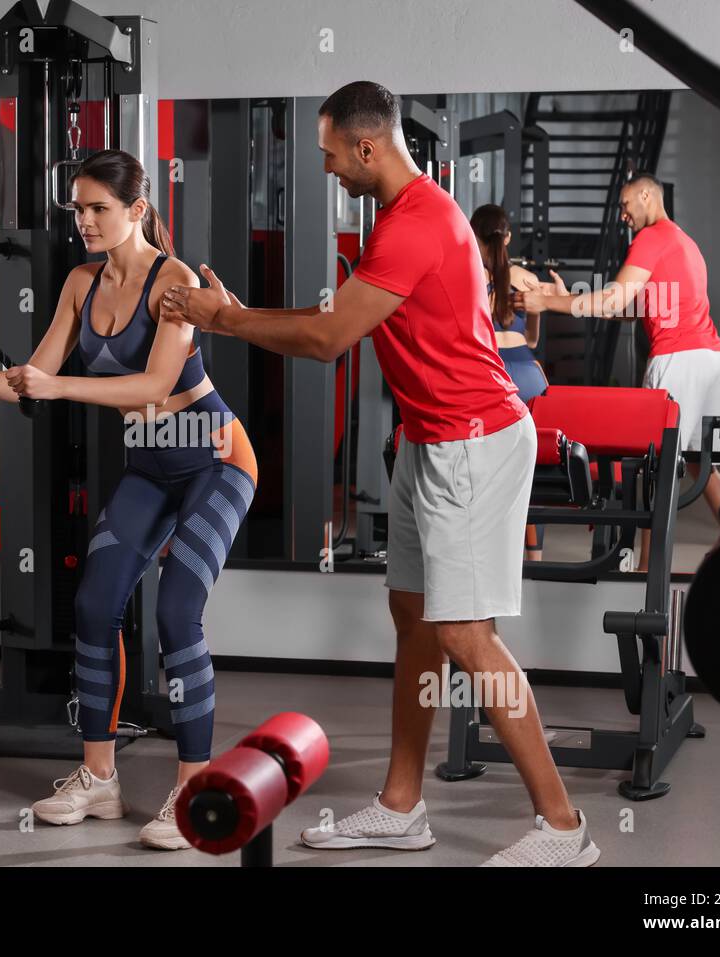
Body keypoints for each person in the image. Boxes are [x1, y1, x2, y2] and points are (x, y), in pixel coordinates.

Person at [163, 81, 598, 866]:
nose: (328, 169)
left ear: (367, 148)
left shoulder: (417, 222)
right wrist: (230, 313)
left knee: (466, 635)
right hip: (429, 440)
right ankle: (402, 806)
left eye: (331, 156)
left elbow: (329, 337)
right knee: (411, 615)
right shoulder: (399, 218)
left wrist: (221, 317)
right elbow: (341, 323)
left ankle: (564, 828)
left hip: (474, 441)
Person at [0, 149, 257, 851]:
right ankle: (98, 775)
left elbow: (151, 386)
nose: (83, 221)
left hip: (214, 458)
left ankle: (193, 785)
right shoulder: (81, 284)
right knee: (94, 603)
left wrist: (54, 389)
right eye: (76, 209)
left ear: (137, 210)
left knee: (178, 610)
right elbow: (39, 373)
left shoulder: (172, 282)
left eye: (97, 209)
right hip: (150, 465)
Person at [516, 172, 720, 571]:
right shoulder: (684, 242)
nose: (622, 215)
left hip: (680, 358)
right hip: (713, 358)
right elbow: (633, 309)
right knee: (702, 464)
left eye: (625, 205)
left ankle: (647, 570)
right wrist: (567, 298)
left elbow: (613, 299)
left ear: (647, 195)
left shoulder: (651, 239)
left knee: (656, 467)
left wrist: (547, 305)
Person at [470, 203, 548, 560]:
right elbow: (532, 340)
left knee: (488, 468)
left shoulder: (468, 279)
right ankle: (535, 560)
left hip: (491, 376)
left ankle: (495, 555)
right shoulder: (528, 280)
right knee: (533, 467)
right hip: (529, 375)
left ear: (475, 236)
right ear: (508, 237)